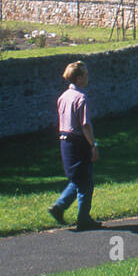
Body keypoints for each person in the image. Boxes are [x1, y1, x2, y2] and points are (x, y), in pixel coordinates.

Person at [49, 60, 103, 230]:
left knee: (78, 178)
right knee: (85, 182)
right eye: (85, 75)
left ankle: (59, 207)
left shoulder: (63, 97)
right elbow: (85, 125)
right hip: (79, 142)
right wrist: (93, 145)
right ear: (79, 79)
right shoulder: (81, 98)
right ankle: (83, 219)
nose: (88, 77)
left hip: (65, 142)